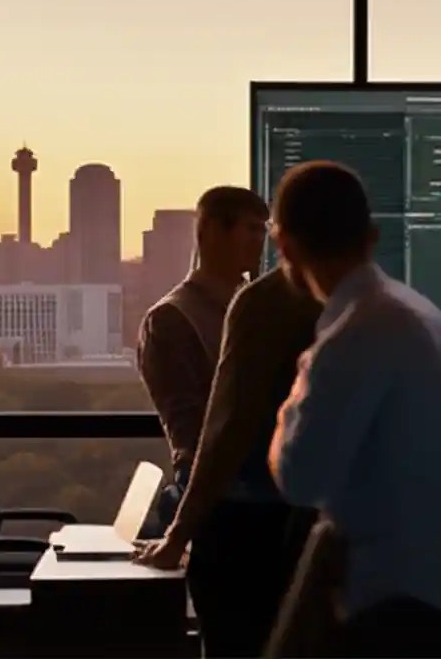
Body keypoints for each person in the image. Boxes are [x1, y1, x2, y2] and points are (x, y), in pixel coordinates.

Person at [266, 160, 441, 657]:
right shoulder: (418, 311)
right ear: (371, 236)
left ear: (283, 245)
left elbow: (300, 477)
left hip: (404, 598)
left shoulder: (354, 334)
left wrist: (294, 392)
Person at [133, 267, 322, 657]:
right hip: (317, 527)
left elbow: (226, 428)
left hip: (244, 524)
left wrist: (180, 532)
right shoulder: (384, 310)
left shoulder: (263, 303)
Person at [136, 186, 269, 532]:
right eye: (250, 229)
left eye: (263, 230)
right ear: (210, 230)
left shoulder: (257, 307)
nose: (259, 240)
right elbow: (189, 428)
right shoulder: (173, 318)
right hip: (224, 497)